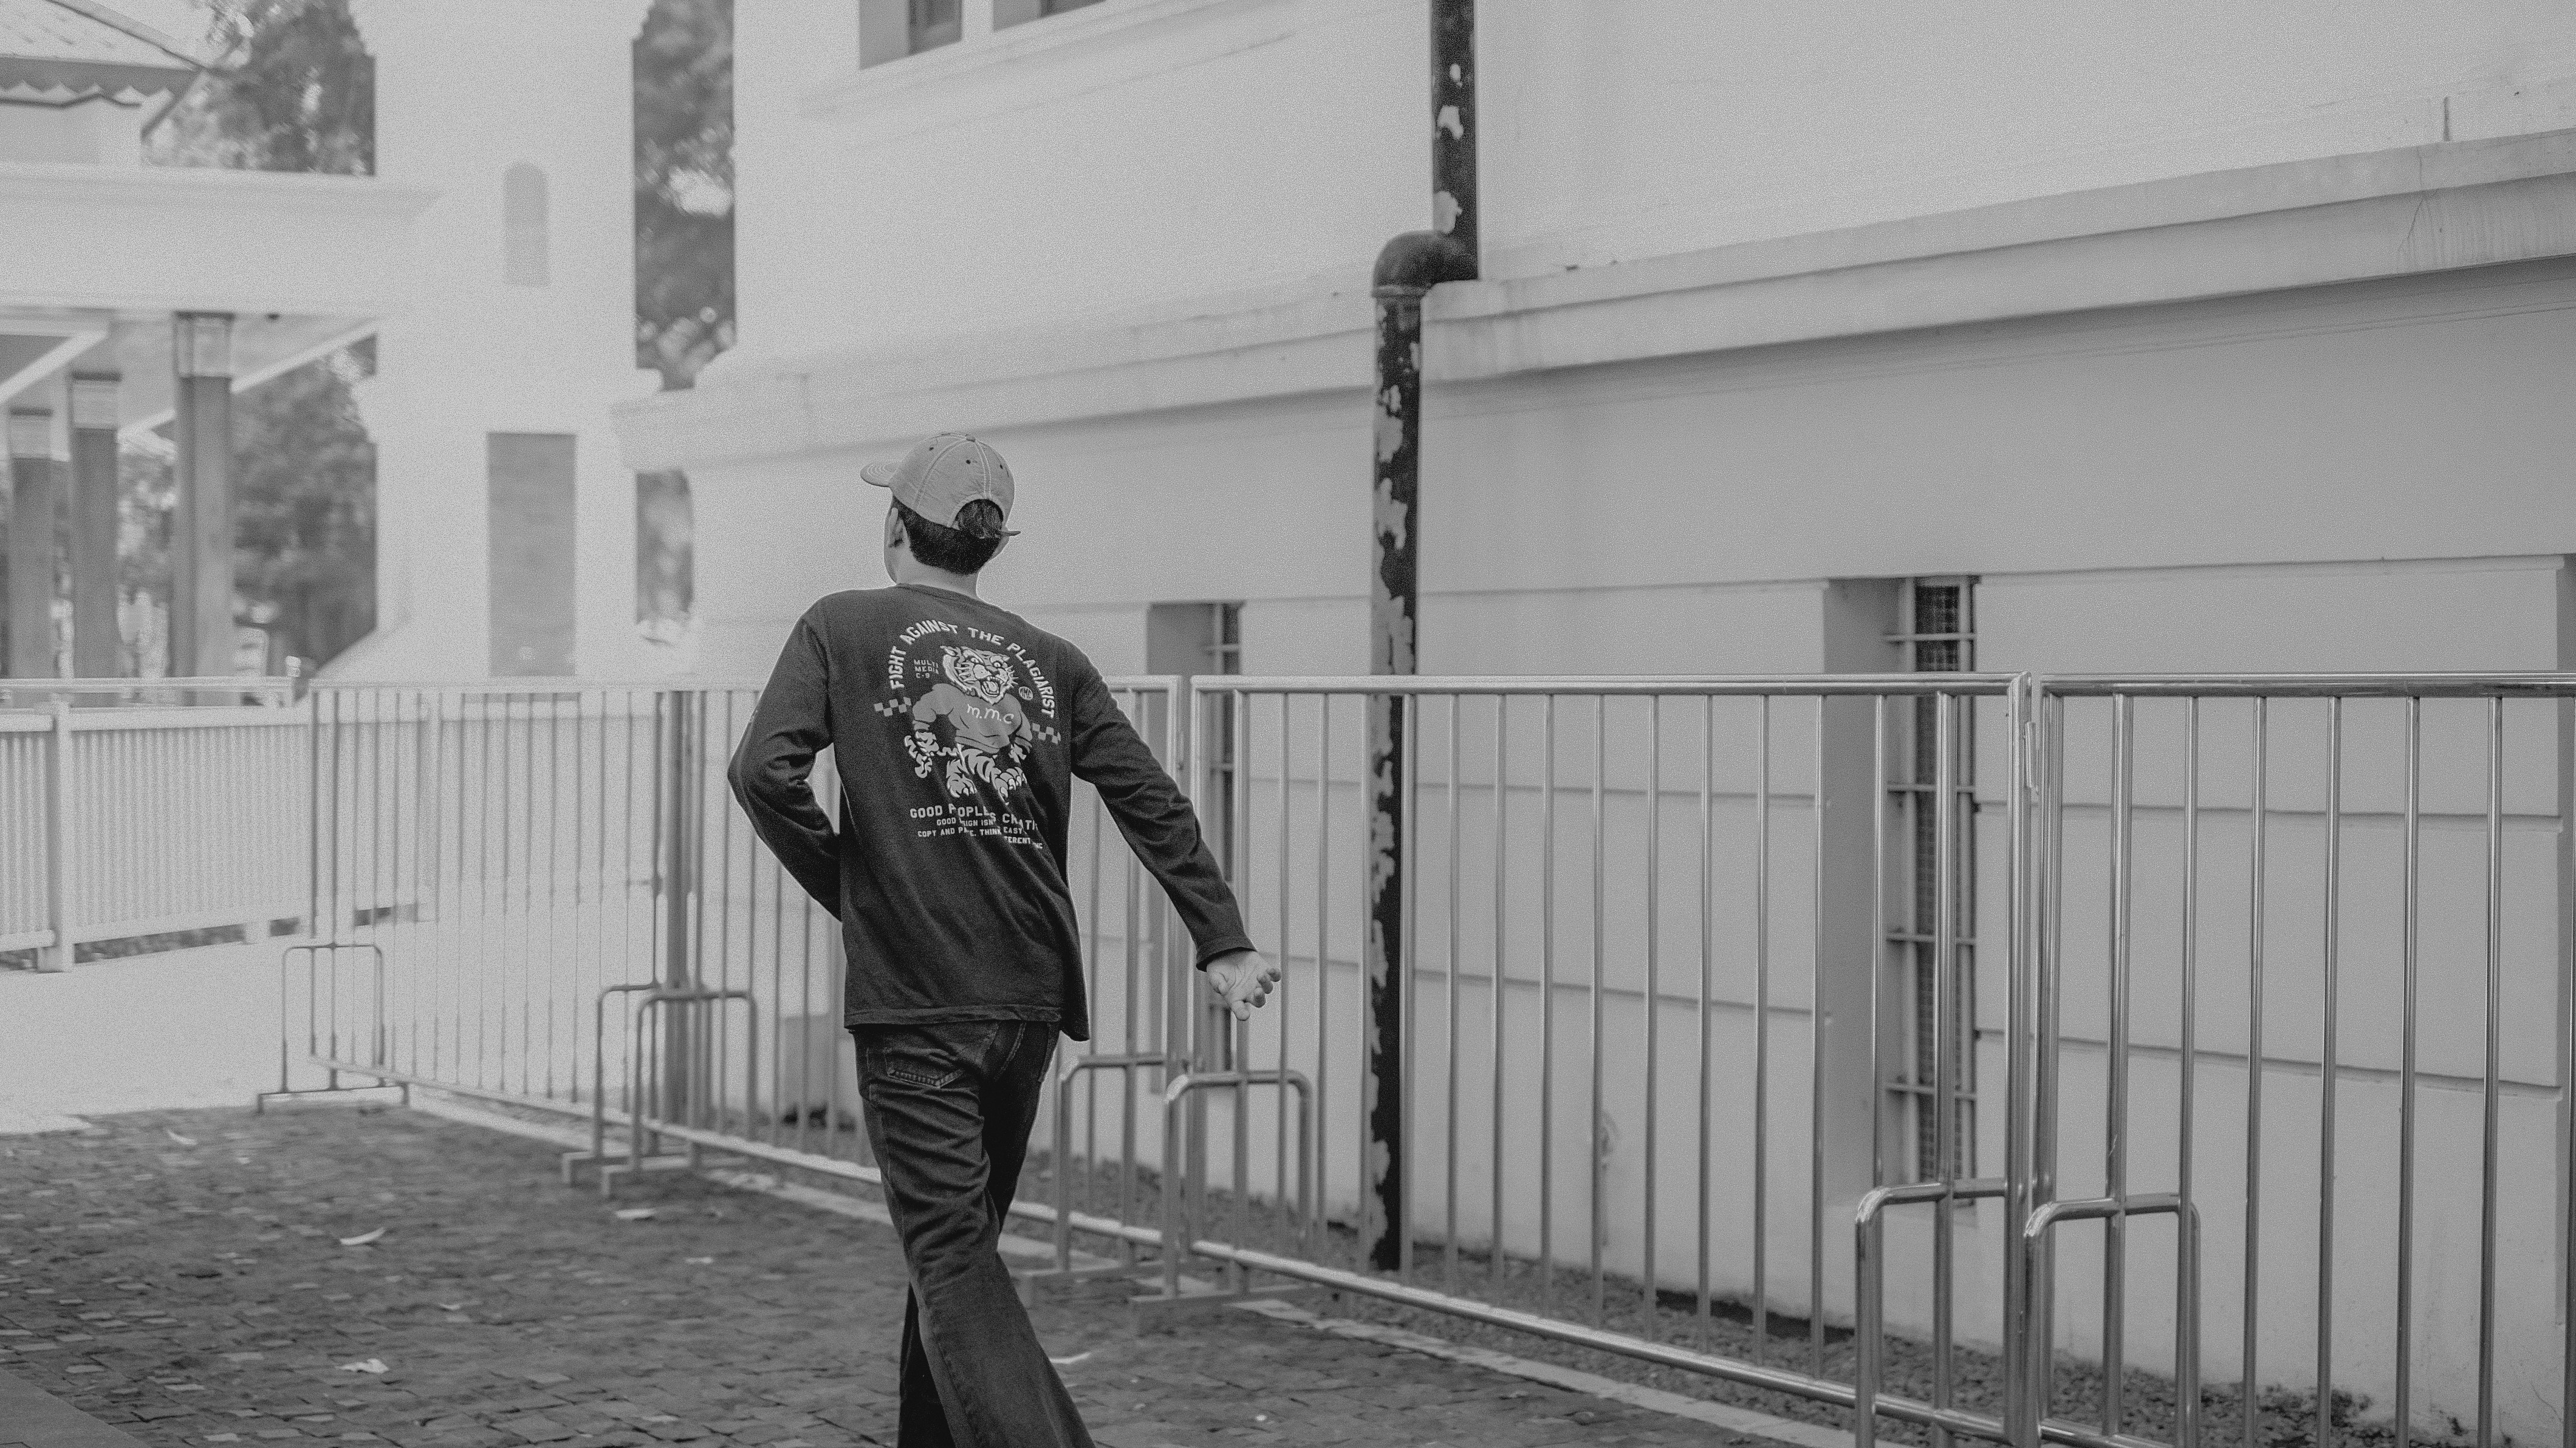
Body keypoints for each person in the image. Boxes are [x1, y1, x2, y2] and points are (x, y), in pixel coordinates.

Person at [727, 432, 1278, 1448]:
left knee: (950, 1259)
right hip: (1027, 997)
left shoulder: (842, 624)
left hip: (921, 998)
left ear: (896, 527)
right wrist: (1223, 939)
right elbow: (1150, 799)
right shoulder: (1051, 661)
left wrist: (855, 889)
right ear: (989, 544)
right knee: (956, 1259)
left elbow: (764, 772)